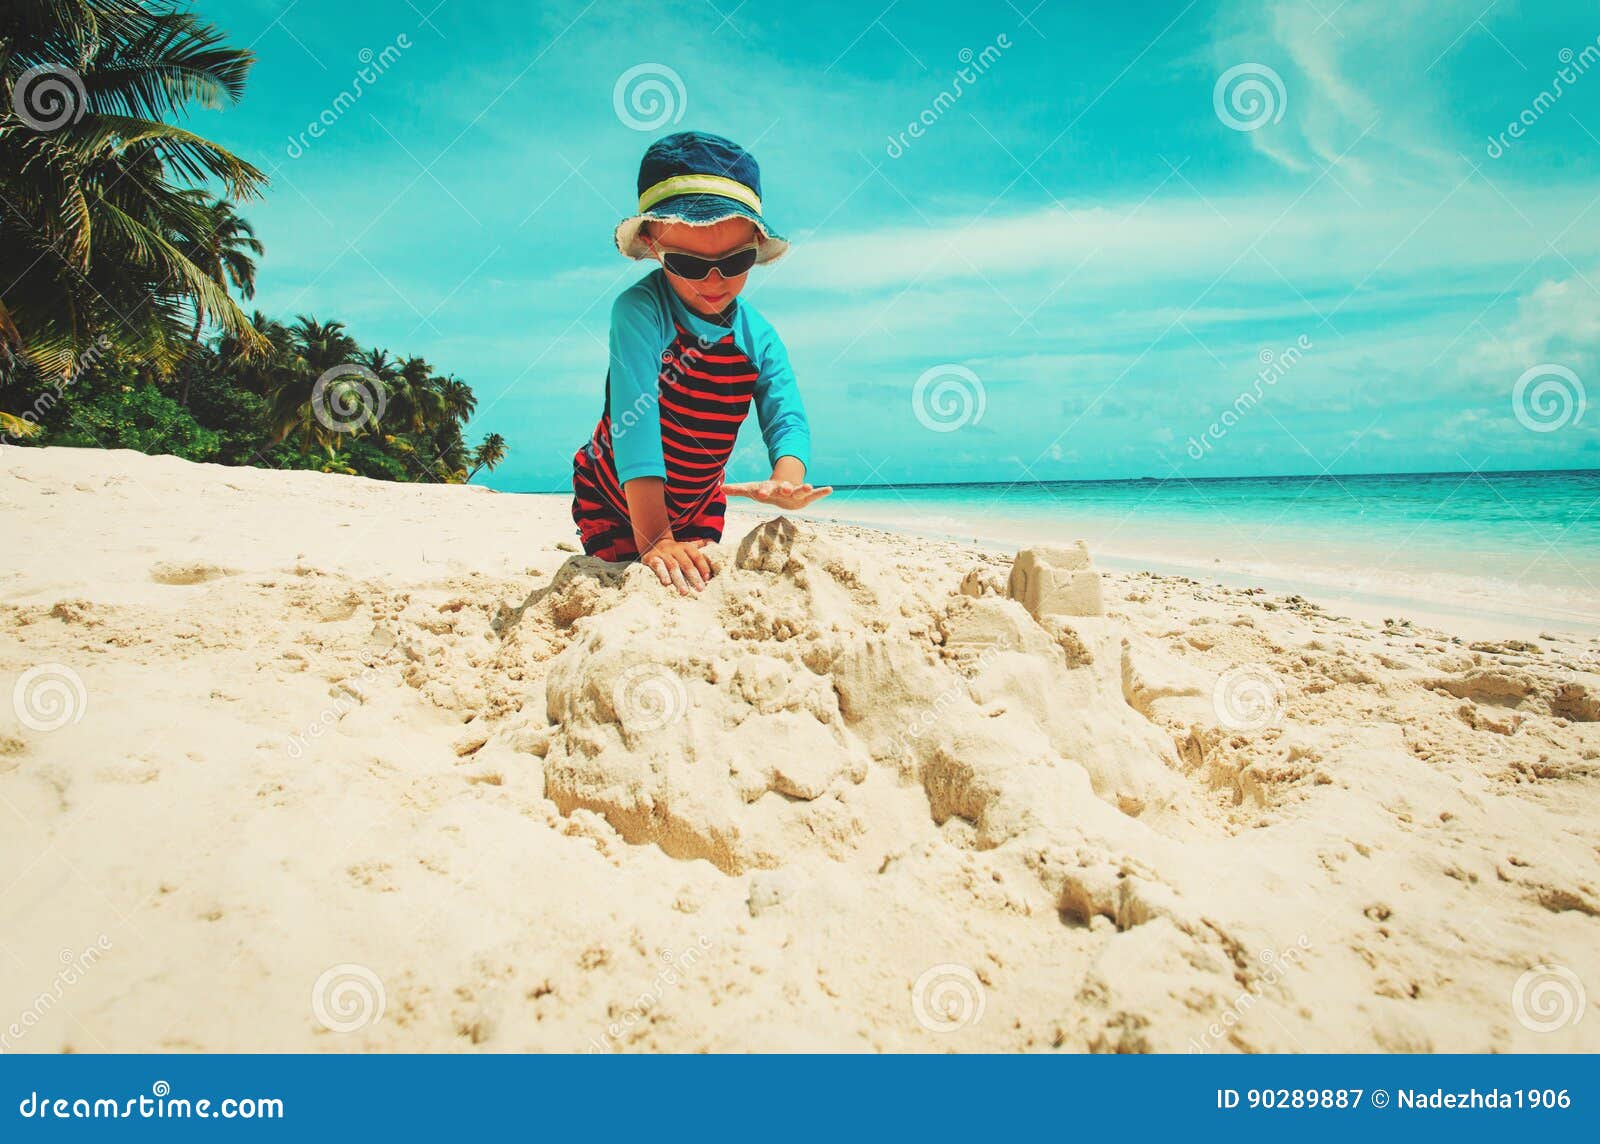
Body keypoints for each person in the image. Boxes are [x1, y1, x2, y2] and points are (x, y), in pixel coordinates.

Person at [570, 130, 830, 595]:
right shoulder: (640, 311)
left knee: (690, 585)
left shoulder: (759, 338)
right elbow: (635, 424)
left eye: (735, 262)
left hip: (700, 499)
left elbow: (786, 417)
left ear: (756, 242)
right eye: (688, 265)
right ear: (652, 243)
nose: (713, 281)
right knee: (633, 577)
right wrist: (655, 538)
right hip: (613, 493)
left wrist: (786, 480)